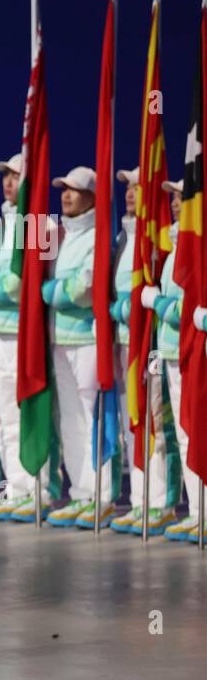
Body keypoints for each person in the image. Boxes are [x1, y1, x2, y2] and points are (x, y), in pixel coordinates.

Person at [44, 166, 116, 528]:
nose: (66, 195)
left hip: (87, 339)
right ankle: (81, 494)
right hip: (60, 339)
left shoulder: (99, 237)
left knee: (93, 418)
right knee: (70, 419)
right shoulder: (58, 235)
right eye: (63, 190)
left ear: (91, 196)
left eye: (74, 190)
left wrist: (49, 293)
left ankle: (102, 495)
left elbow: (84, 289)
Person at [109, 166, 170, 533]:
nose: (130, 194)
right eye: (128, 188)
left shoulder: (157, 240)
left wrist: (129, 307)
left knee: (154, 422)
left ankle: (160, 501)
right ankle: (139, 500)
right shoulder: (121, 237)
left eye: (137, 187)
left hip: (150, 345)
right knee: (132, 421)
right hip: (122, 341)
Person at [0, 154, 40, 522]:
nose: (7, 182)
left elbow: (20, 286)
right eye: (4, 175)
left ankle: (38, 487)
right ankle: (15, 489)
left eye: (15, 176)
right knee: (4, 416)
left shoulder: (38, 226)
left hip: (23, 334)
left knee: (26, 413)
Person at [142, 178, 199, 540]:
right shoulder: (174, 246)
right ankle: (196, 510)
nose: (174, 203)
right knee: (179, 432)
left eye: (180, 197)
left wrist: (157, 303)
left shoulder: (195, 246)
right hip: (169, 353)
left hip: (190, 351)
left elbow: (190, 305)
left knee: (194, 431)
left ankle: (201, 509)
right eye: (172, 198)